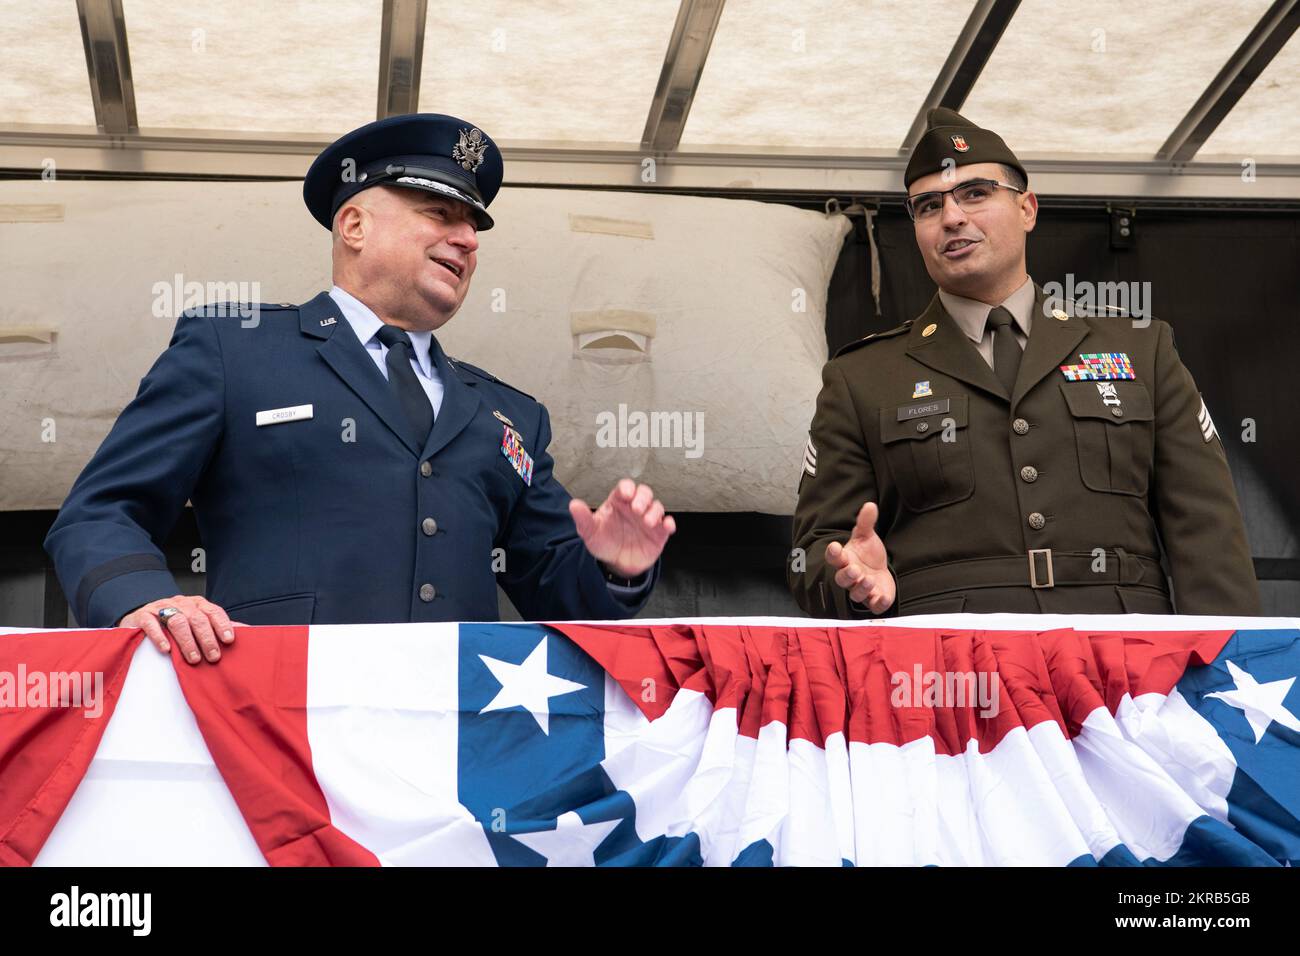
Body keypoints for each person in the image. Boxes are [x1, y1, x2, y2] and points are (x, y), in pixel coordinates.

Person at [45, 113, 676, 665]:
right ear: (353, 225)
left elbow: (560, 593)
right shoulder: (233, 350)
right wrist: (146, 600)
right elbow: (100, 513)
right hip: (279, 718)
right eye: (440, 213)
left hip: (455, 736)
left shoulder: (509, 415)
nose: (467, 239)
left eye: (474, 226)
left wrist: (615, 568)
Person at [788, 107, 1259, 618]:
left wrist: (1221, 675)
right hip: (950, 673)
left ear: (1028, 209)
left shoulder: (1141, 349)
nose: (952, 217)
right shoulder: (862, 376)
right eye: (927, 206)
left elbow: (1207, 532)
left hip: (1125, 667)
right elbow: (811, 556)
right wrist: (853, 581)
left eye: (975, 193)